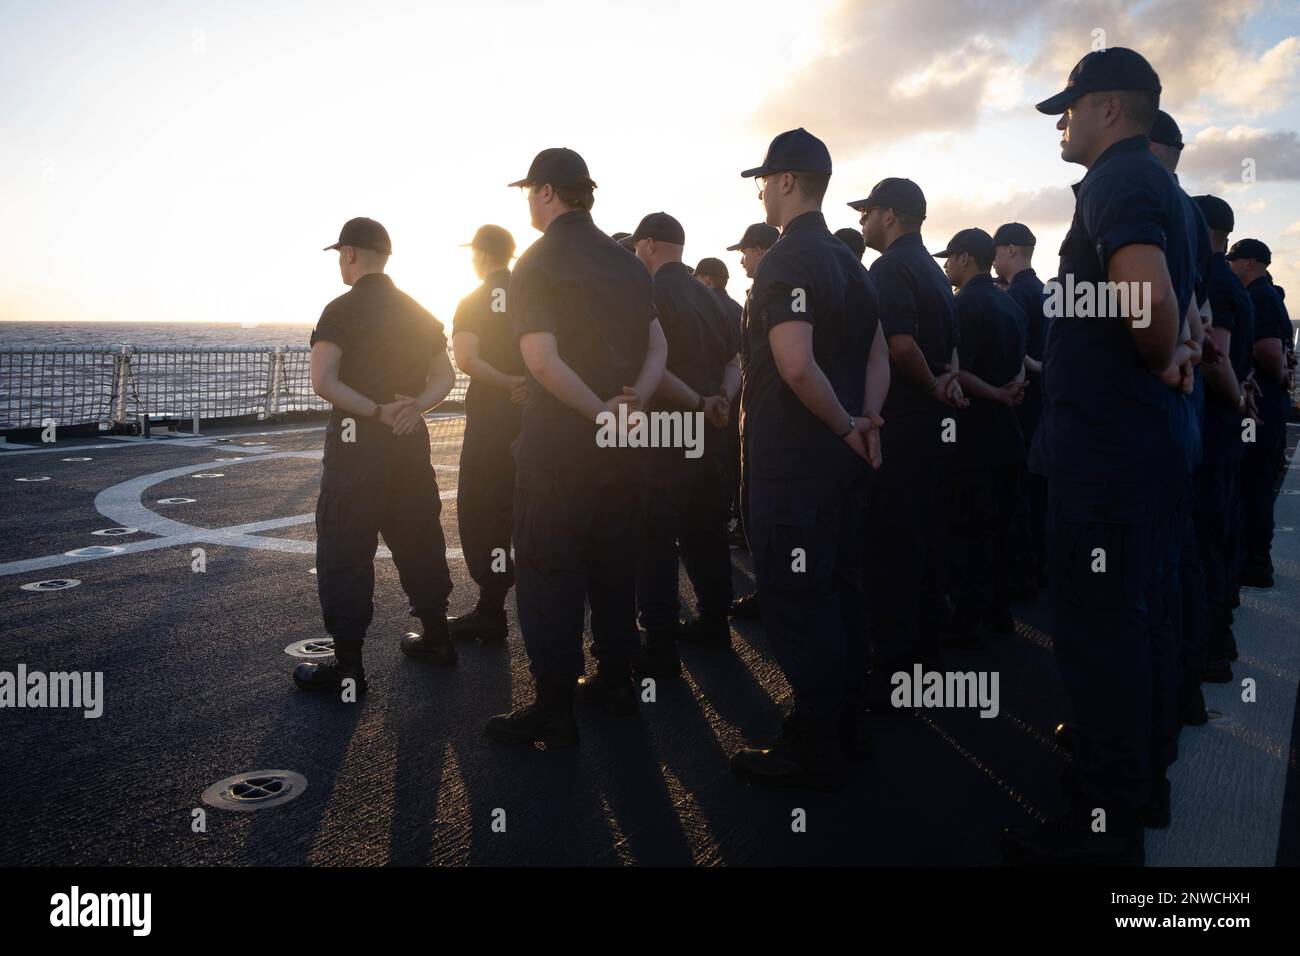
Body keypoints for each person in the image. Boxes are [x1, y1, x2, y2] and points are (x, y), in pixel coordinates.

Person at [1002, 47, 1197, 867]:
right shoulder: (1167, 189)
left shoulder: (1118, 177)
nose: (1061, 121)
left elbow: (1150, 299)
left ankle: (1101, 827)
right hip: (1136, 451)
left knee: (1097, 633)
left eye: (1070, 107)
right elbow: (1182, 308)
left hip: (1105, 458)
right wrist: (1172, 354)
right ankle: (1137, 785)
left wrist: (1160, 354)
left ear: (1109, 109)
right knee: (1132, 621)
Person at [485, 148, 667, 748]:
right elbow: (656, 349)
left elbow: (541, 359)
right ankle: (616, 681)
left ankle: (554, 708)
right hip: (623, 451)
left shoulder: (534, 263)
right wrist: (629, 403)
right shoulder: (628, 265)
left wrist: (597, 412)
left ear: (544, 193)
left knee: (547, 573)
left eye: (528, 193)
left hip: (559, 451)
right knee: (616, 567)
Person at [728, 128, 890, 791]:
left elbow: (794, 364)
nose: (762, 191)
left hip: (793, 465)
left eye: (764, 179)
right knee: (842, 590)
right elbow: (877, 351)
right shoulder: (850, 263)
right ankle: (849, 718)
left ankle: (815, 740)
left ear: (787, 181)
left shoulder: (788, 259)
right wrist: (867, 422)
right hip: (843, 461)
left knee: (797, 600)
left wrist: (847, 422)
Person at [298, 217, 459, 694]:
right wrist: (414, 407)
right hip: (409, 443)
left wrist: (377, 411)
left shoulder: (340, 311)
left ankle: (348, 666)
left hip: (355, 450)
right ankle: (437, 636)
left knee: (345, 548)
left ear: (349, 254)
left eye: (341, 257)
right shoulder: (419, 312)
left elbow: (324, 381)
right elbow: (445, 377)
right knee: (419, 537)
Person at [851, 177, 964, 703]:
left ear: (890, 215)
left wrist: (931, 387)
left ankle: (895, 670)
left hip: (906, 425)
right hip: (933, 431)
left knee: (890, 548)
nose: (861, 221)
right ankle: (926, 661)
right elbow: (948, 348)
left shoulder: (891, 267)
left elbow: (899, 345)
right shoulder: (936, 273)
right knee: (922, 542)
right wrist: (945, 381)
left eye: (867, 212)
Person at [629, 214, 739, 670]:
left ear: (648, 244)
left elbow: (649, 363)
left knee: (655, 538)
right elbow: (735, 360)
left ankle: (660, 644)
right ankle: (715, 623)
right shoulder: (714, 298)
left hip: (664, 432)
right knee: (707, 533)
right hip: (710, 436)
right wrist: (719, 401)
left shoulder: (646, 293)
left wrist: (695, 401)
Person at [934, 228, 1027, 642]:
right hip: (1008, 434)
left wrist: (994, 394)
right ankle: (1000, 610)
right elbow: (1020, 366)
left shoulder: (963, 305)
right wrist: (1011, 390)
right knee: (1002, 523)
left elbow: (959, 371)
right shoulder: (1009, 303)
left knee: (968, 526)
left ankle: (970, 617)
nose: (946, 265)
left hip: (974, 433)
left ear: (966, 258)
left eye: (950, 258)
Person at [448, 224, 525, 642]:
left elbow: (466, 358)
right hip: (537, 418)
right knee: (532, 511)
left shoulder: (475, 299)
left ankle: (491, 609)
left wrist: (506, 380)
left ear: (479, 255)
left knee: (484, 513)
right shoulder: (535, 289)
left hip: (492, 422)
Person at [1192, 195, 1254, 685]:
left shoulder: (1213, 278)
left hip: (1211, 433)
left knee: (1205, 544)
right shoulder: (1228, 278)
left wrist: (1235, 397)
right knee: (1218, 536)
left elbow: (1218, 358)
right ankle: (1215, 641)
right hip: (1220, 435)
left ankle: (1210, 650)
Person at [1229, 238, 1294, 589]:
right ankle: (1253, 556)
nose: (1231, 267)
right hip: (1270, 403)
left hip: (1260, 407)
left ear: (1251, 263)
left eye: (1234, 261)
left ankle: (1255, 561)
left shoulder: (1260, 298)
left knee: (1252, 477)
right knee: (1256, 477)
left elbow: (1268, 350)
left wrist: (1279, 371)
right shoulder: (1271, 296)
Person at [727, 221, 781, 619]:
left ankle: (775, 594)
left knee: (767, 510)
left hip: (768, 417)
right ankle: (772, 588)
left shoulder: (771, 286)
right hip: (762, 413)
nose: (743, 258)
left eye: (745, 251)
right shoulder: (756, 291)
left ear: (761, 250)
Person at [992, 222, 1049, 593]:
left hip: (1020, 403)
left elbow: (1012, 355)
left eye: (996, 251)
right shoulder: (1046, 292)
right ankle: (1039, 567)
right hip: (1048, 405)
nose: (993, 260)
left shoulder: (1014, 296)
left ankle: (1020, 574)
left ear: (1011, 250)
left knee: (1017, 495)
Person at [695, 256, 746, 547]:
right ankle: (735, 520)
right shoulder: (736, 307)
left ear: (706, 280)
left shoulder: (704, 305)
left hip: (709, 398)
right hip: (736, 396)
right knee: (733, 461)